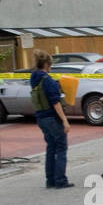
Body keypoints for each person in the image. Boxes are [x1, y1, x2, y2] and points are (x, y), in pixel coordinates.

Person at [29, 49, 73, 188]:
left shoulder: (34, 78)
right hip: (52, 117)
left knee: (51, 148)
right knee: (61, 148)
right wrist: (65, 120)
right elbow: (55, 102)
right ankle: (60, 180)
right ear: (47, 64)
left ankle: (50, 180)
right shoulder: (48, 81)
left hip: (41, 117)